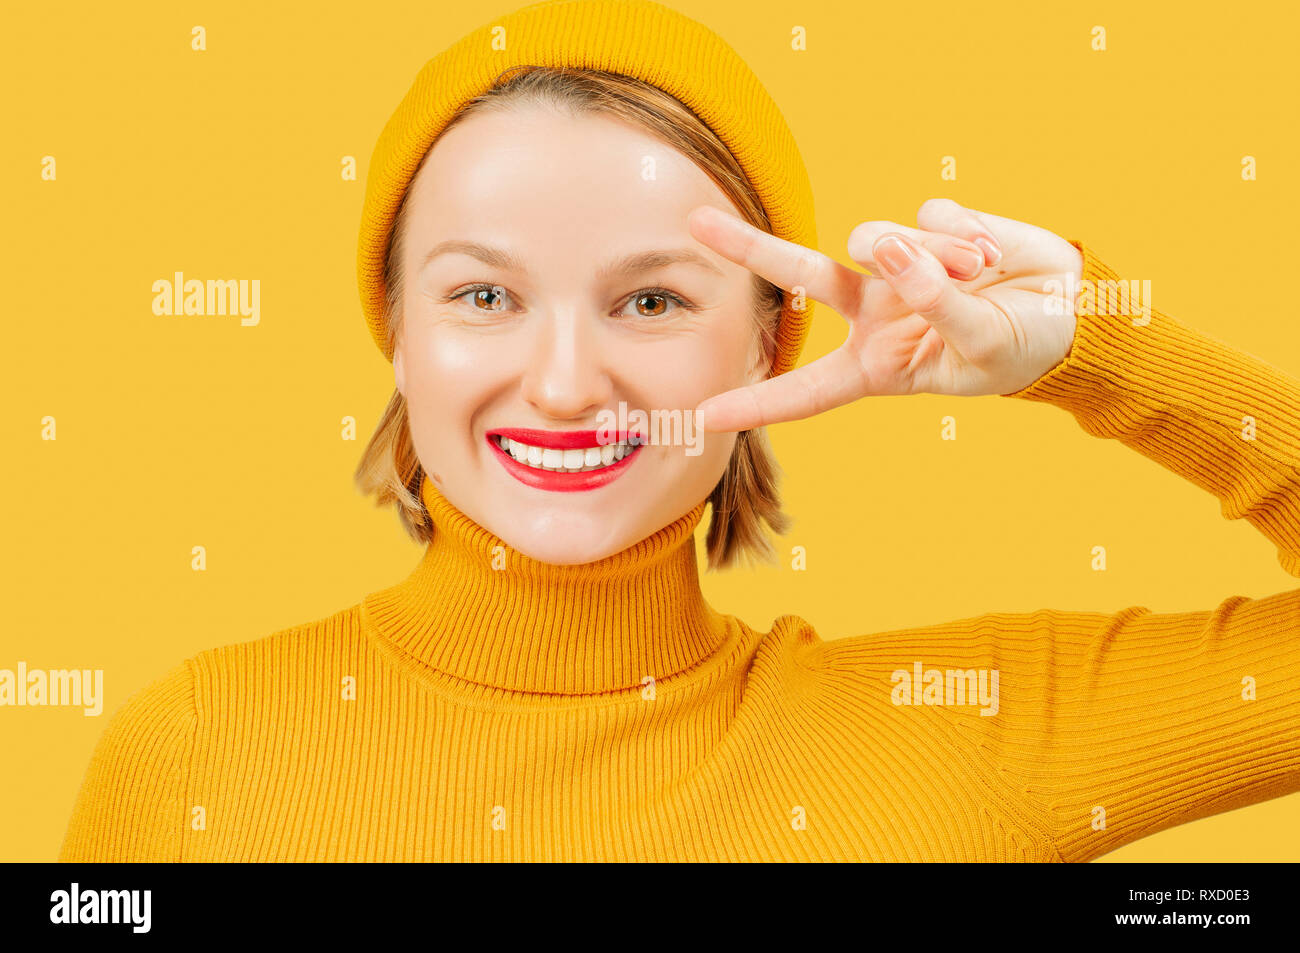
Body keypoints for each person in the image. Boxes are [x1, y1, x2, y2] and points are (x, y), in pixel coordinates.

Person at [59, 0, 1299, 862]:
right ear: (395, 327)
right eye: (483, 294)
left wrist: (1093, 351)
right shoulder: (194, 751)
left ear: (770, 338)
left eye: (649, 300)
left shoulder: (965, 735)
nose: (559, 383)